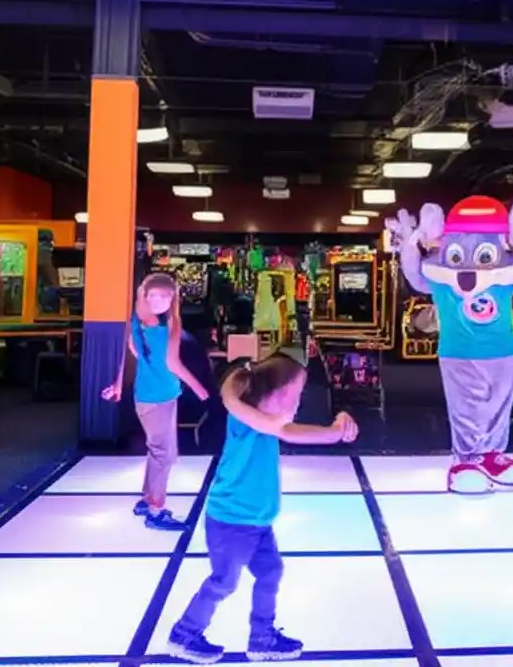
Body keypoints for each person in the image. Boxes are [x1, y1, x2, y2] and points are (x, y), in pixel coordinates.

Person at [167, 353, 359, 664]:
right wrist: (336, 431)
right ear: (269, 393)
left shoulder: (264, 421)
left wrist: (339, 424)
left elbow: (283, 425)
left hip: (257, 521)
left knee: (270, 572)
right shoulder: (247, 421)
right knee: (224, 582)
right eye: (293, 394)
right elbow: (285, 428)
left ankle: (262, 637)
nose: (297, 403)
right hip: (232, 521)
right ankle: (184, 633)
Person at [102, 272, 210, 531]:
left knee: (158, 451)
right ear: (145, 296)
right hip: (157, 398)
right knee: (164, 455)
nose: (159, 301)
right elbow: (173, 364)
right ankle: (156, 511)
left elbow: (131, 356)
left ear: (172, 298)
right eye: (154, 296)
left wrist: (118, 385)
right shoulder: (166, 327)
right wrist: (202, 391)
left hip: (153, 396)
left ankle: (147, 499)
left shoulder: (137, 322)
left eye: (165, 296)